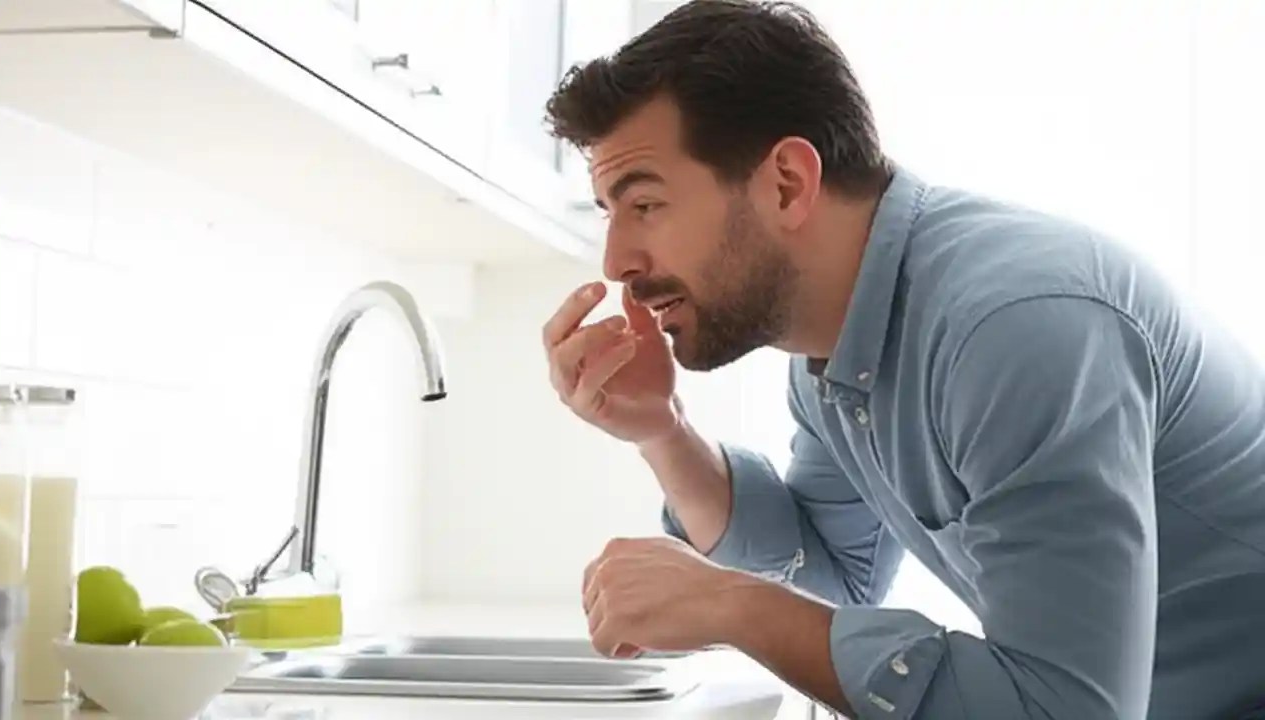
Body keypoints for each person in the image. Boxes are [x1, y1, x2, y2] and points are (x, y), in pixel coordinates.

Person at [539, 1, 1265, 718]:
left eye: (645, 205)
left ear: (787, 183)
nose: (616, 261)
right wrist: (662, 431)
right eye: (609, 214)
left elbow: (1065, 711)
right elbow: (836, 578)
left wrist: (730, 603)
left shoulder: (1011, 331)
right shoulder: (837, 353)